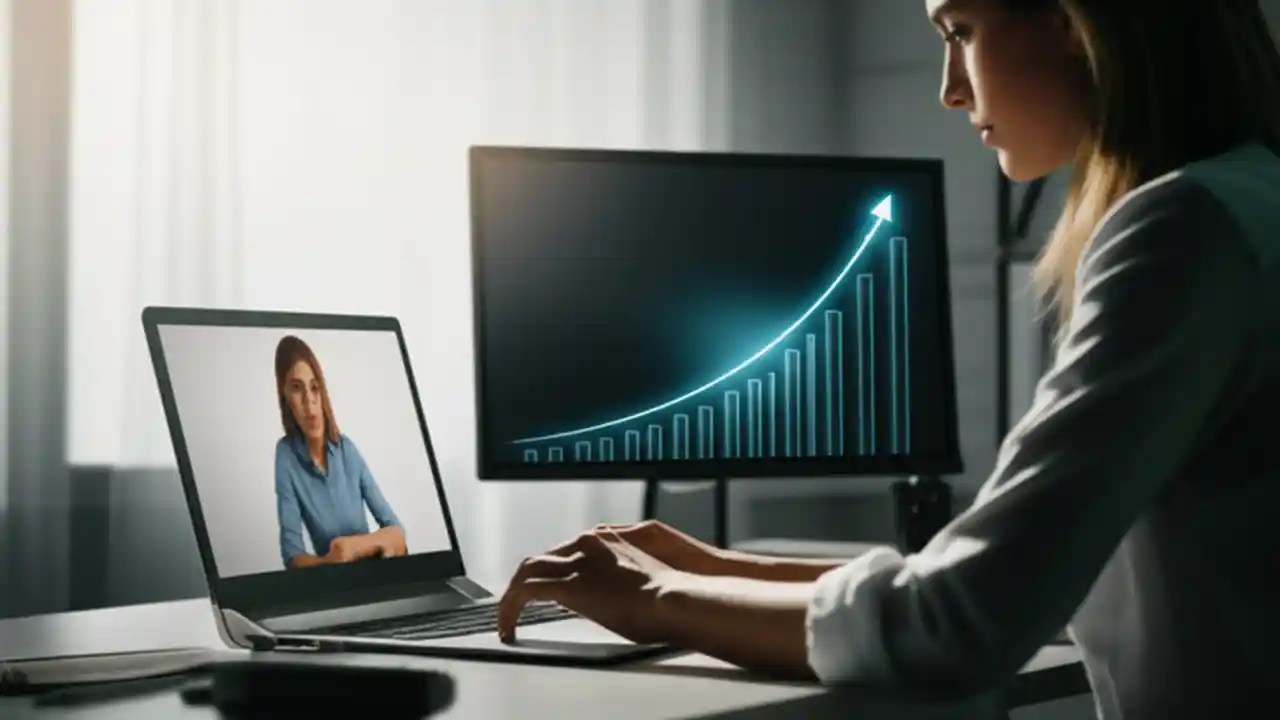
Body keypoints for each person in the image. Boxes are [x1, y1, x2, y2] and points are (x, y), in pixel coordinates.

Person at [496, 1, 1280, 716]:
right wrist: (714, 572)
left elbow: (963, 621)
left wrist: (656, 599)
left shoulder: (1182, 230)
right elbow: (996, 578)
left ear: (1073, 23)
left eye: (959, 32)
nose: (949, 88)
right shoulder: (1247, 201)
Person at [274, 335, 408, 569]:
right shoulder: (286, 455)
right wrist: (331, 560)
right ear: (285, 396)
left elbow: (397, 534)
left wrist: (350, 549)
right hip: (333, 587)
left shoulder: (347, 449)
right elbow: (292, 556)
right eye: (297, 388)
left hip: (378, 577)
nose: (309, 401)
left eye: (315, 387)